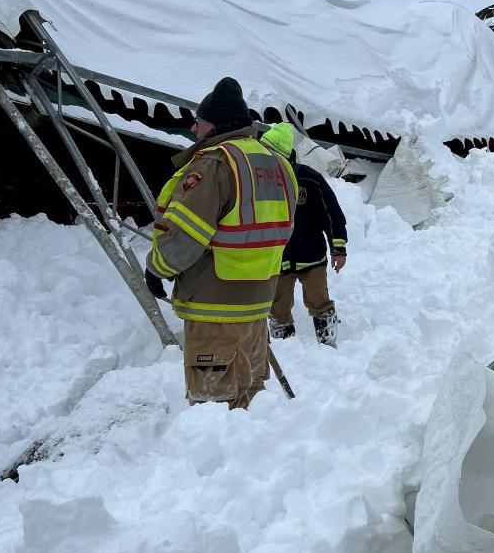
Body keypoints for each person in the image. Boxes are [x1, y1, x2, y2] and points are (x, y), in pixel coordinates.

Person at [145, 78, 298, 410]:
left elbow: (186, 235)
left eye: (199, 121)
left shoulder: (216, 163)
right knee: (250, 403)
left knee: (214, 411)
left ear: (215, 125)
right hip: (257, 307)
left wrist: (156, 268)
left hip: (214, 308)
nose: (194, 128)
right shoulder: (277, 164)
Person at [260, 123, 348, 348]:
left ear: (281, 155)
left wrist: (338, 248)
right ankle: (286, 349)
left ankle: (328, 344)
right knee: (277, 307)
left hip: (311, 256)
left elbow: (332, 214)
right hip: (277, 259)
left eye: (268, 153)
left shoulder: (309, 179)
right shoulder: (258, 182)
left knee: (319, 301)